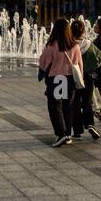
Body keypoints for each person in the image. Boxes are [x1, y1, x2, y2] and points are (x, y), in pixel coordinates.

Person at [38, 18, 81, 147]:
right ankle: (68, 134)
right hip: (69, 79)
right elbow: (79, 64)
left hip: (56, 79)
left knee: (55, 107)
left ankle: (60, 134)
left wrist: (42, 72)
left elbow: (43, 62)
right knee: (68, 107)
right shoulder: (74, 46)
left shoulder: (51, 45)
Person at [70, 19, 101, 140]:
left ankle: (77, 130)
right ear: (83, 31)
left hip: (74, 78)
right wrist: (91, 67)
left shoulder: (69, 44)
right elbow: (99, 57)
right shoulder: (89, 44)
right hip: (88, 77)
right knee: (87, 103)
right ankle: (90, 124)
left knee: (75, 104)